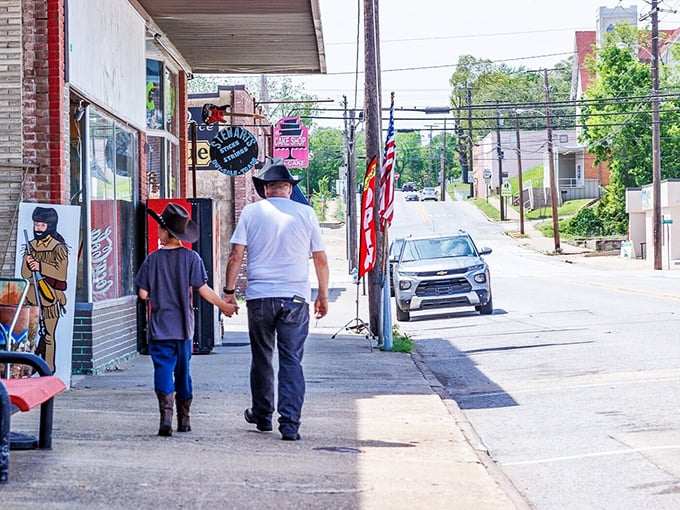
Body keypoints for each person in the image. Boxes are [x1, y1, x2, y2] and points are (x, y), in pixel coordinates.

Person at [224, 159, 329, 441]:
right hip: (295, 298)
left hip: (260, 297)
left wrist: (229, 292)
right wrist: (322, 295)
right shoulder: (306, 214)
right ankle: (290, 424)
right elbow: (320, 259)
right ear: (288, 189)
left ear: (266, 188)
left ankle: (262, 415)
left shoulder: (251, 212)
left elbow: (236, 255)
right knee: (292, 360)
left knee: (262, 357)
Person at [135, 202, 238, 437]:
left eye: (160, 229)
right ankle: (185, 419)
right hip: (183, 329)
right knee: (183, 371)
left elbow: (142, 294)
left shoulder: (152, 260)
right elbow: (203, 289)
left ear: (165, 232)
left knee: (162, 368)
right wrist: (224, 305)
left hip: (160, 327)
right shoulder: (192, 259)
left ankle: (165, 416)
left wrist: (154, 293)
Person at [22, 206, 69, 373]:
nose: (38, 228)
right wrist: (28, 263)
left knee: (48, 336)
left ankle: (49, 369)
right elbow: (25, 274)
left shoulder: (58, 247)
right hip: (31, 298)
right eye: (36, 224)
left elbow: (61, 274)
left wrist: (40, 265)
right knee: (30, 336)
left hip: (50, 297)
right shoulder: (31, 246)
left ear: (49, 226)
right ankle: (27, 368)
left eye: (42, 225)